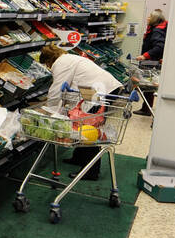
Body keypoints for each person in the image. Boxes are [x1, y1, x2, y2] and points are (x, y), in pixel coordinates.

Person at [39, 44, 123, 180]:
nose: (48, 67)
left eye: (47, 64)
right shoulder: (69, 58)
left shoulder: (61, 63)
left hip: (99, 91)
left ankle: (91, 171)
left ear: (49, 60)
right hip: (98, 89)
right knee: (81, 123)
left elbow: (56, 90)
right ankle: (78, 158)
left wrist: (50, 113)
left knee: (88, 129)